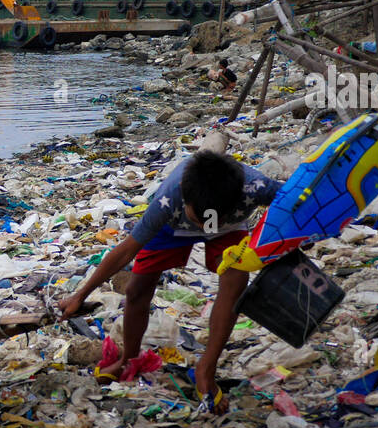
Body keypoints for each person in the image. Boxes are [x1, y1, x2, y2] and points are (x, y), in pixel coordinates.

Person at [58, 150, 282, 410]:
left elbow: (298, 201)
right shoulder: (170, 197)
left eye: (211, 218)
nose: (206, 223)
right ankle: (129, 358)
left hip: (227, 229)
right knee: (137, 289)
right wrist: (80, 295)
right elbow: (126, 250)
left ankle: (206, 368)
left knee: (235, 279)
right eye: (201, 218)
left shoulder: (257, 187)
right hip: (173, 227)